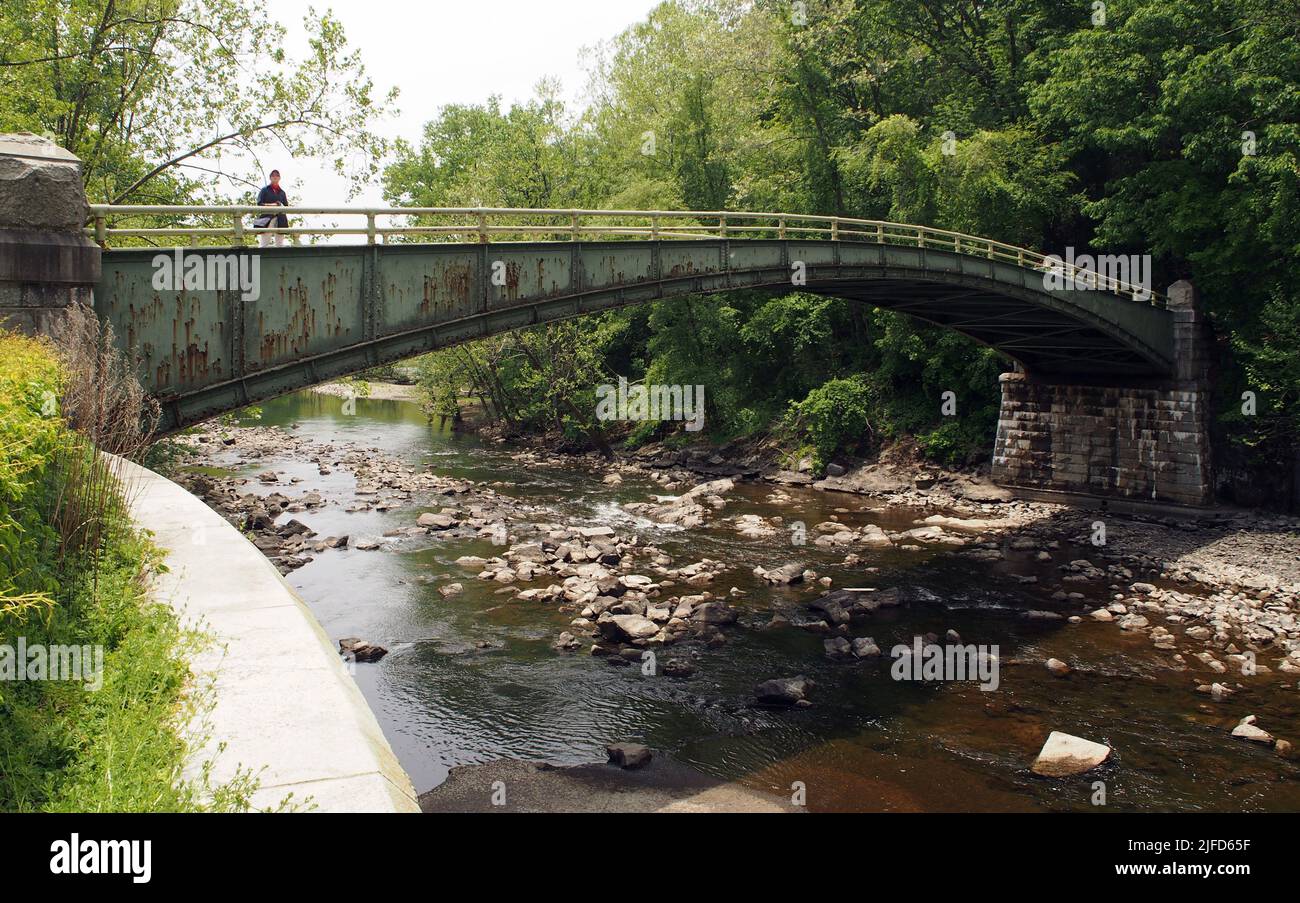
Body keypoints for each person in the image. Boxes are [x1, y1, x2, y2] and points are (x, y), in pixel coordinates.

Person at [254, 170, 289, 247]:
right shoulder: (264, 190)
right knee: (264, 243)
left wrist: (280, 205)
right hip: (267, 218)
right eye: (273, 175)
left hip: (280, 218)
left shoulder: (282, 192)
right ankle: (261, 257)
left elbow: (286, 206)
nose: (275, 177)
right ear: (270, 178)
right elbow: (259, 203)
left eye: (277, 175)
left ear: (279, 178)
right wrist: (273, 205)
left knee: (280, 243)